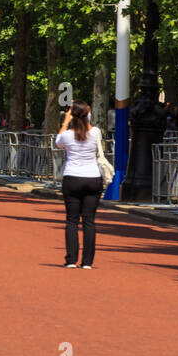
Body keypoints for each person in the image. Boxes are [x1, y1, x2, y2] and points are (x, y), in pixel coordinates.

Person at [55, 101, 104, 269]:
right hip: (93, 178)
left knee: (72, 221)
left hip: (73, 178)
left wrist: (65, 122)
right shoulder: (96, 132)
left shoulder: (67, 134)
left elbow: (57, 142)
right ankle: (87, 261)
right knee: (89, 221)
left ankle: (71, 259)